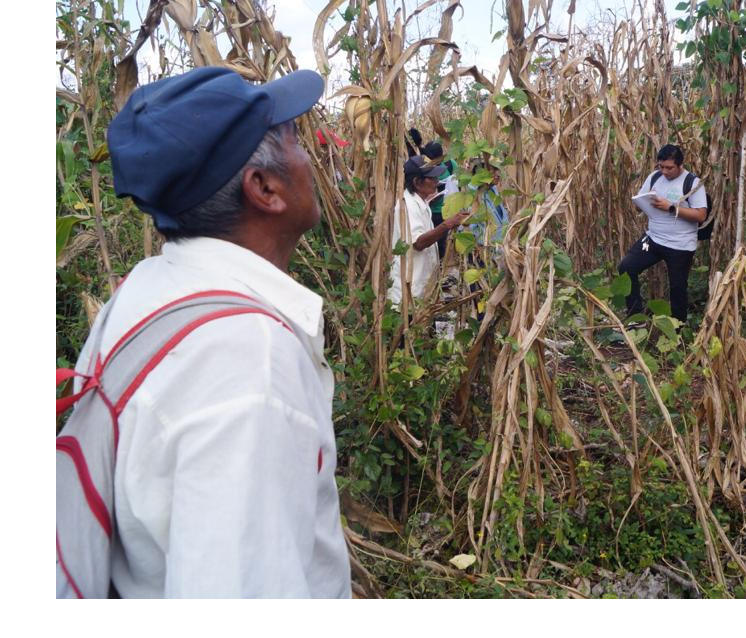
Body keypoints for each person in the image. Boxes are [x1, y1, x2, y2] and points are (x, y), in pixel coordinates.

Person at [70, 66, 351, 597]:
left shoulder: (150, 287)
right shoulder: (248, 364)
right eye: (293, 141)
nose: (309, 158)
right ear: (265, 188)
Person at [617, 144, 708, 323]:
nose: (665, 171)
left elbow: (700, 215)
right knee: (626, 268)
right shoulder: (655, 177)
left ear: (680, 165)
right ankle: (635, 318)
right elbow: (642, 197)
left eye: (669, 168)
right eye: (661, 166)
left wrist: (672, 207)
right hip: (653, 239)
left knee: (677, 288)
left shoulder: (692, 183)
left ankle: (678, 331)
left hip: (680, 245)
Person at [389, 154, 468, 306]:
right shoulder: (408, 206)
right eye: (431, 178)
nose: (436, 182)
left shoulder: (421, 203)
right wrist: (447, 224)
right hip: (409, 292)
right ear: (417, 182)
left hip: (421, 291)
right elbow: (418, 243)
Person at [421, 139, 457, 258]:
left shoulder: (450, 164)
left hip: (444, 212)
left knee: (442, 244)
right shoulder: (422, 166)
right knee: (428, 243)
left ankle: (440, 266)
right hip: (427, 211)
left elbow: (458, 184)